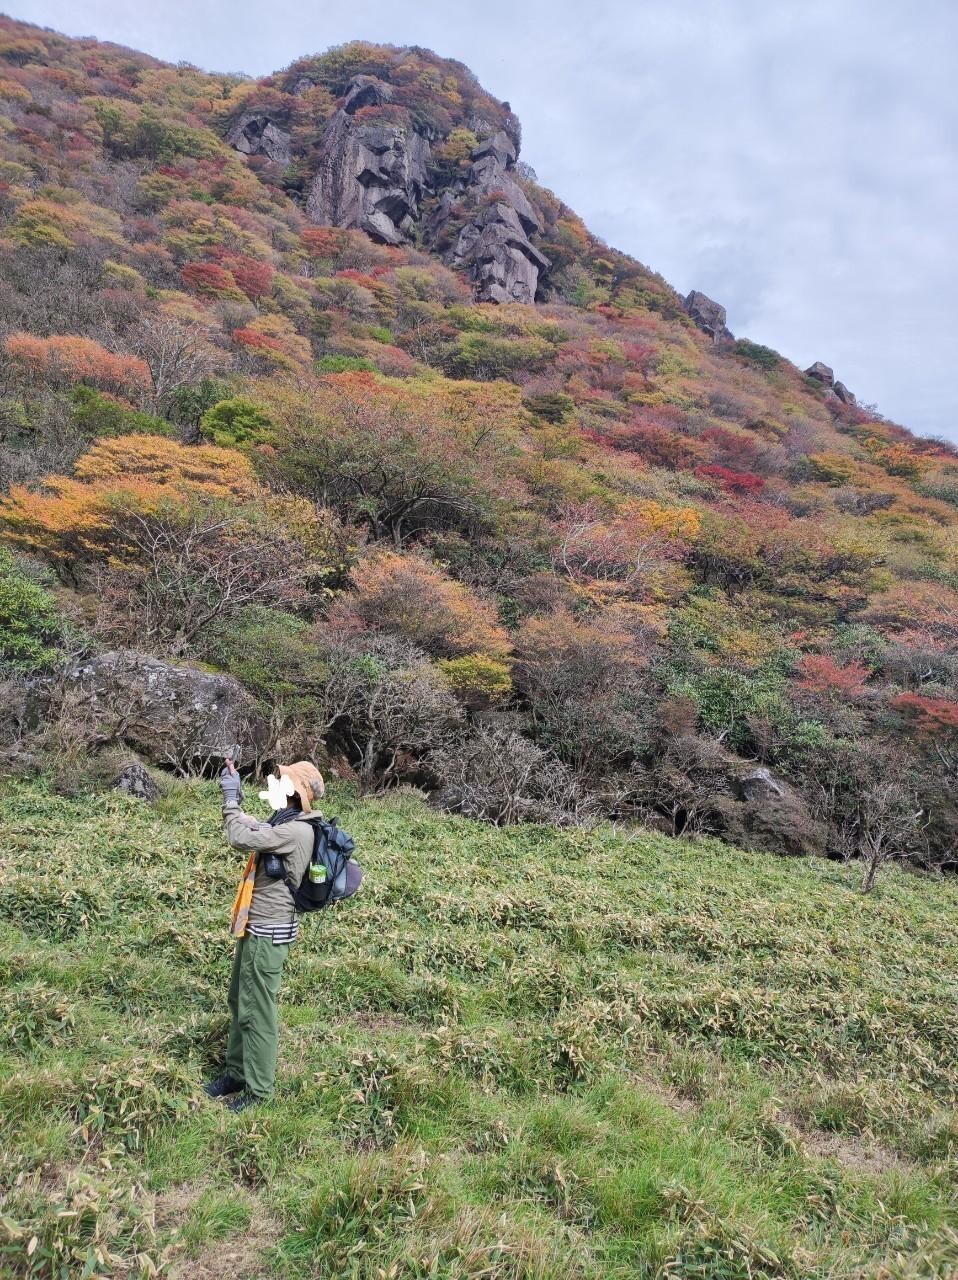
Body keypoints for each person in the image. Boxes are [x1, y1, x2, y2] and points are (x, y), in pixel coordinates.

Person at [205, 758, 325, 1112]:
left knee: (258, 1012)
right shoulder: (283, 821)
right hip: (255, 926)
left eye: (280, 781)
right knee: (240, 1002)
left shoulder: (297, 830)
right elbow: (254, 826)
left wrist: (229, 800)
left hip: (269, 932)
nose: (274, 783)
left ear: (294, 792)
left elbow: (240, 836)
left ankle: (258, 1091)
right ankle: (236, 1073)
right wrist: (236, 792)